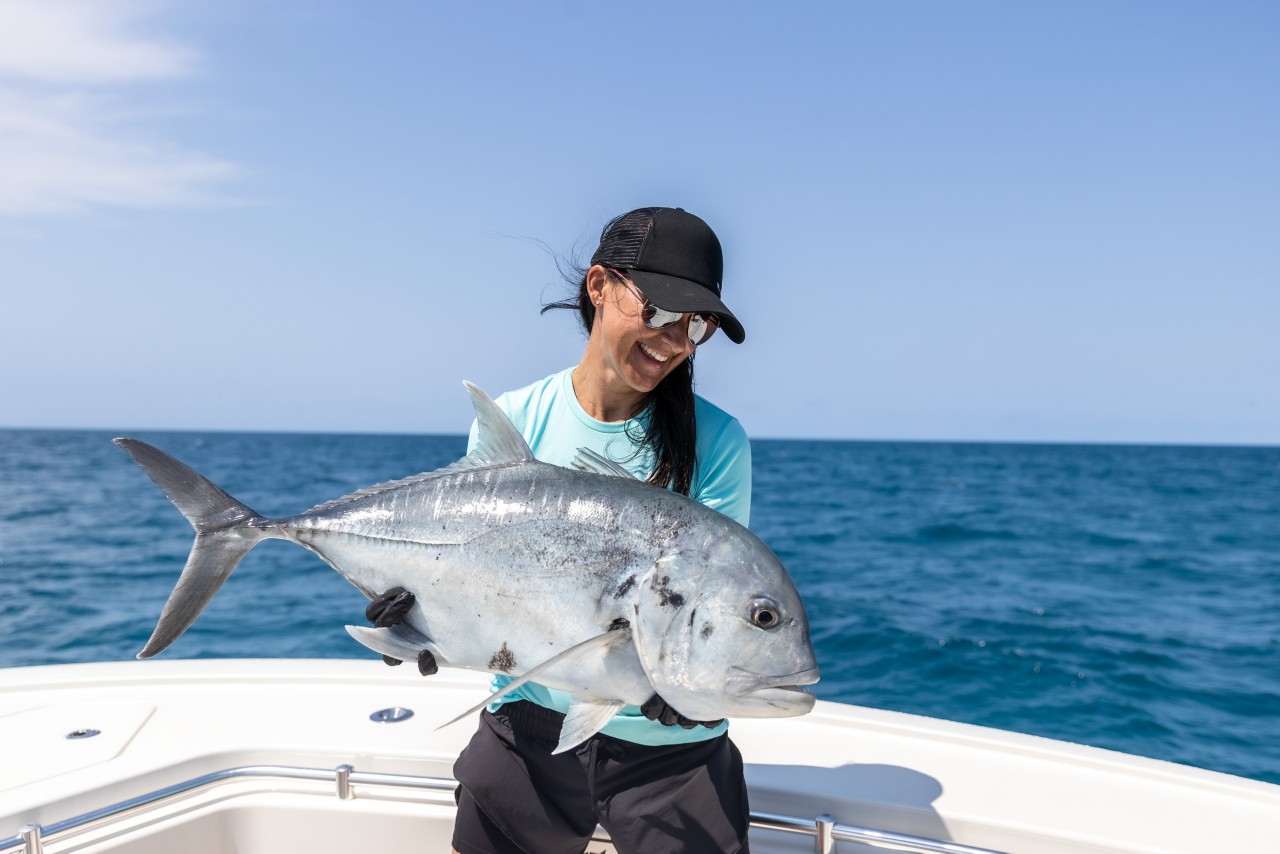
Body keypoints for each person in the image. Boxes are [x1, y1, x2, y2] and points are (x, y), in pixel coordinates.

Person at [368, 206, 753, 854]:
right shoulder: (517, 419)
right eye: (659, 310)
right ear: (599, 287)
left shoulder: (717, 442)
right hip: (528, 728)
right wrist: (417, 615)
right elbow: (481, 579)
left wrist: (694, 693)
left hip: (672, 753)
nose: (676, 339)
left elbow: (714, 606)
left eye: (698, 324)